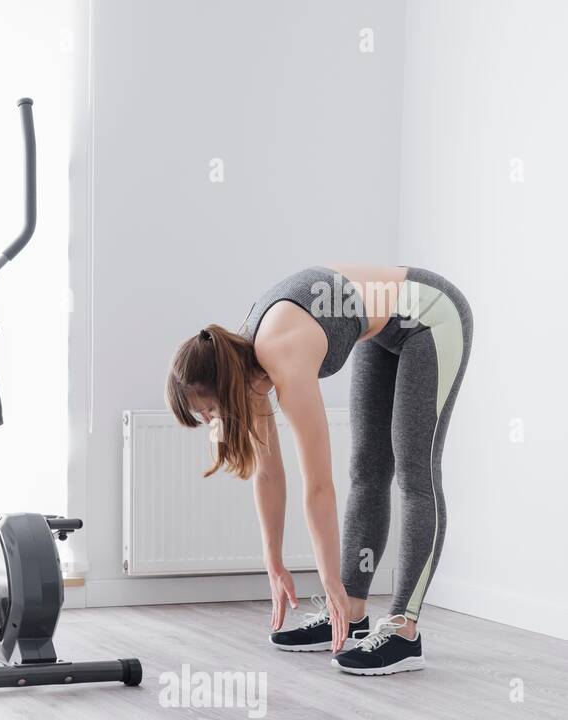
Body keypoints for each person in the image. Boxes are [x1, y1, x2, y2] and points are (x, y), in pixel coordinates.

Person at [165, 266, 472, 675]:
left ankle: (404, 628)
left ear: (221, 386)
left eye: (208, 411)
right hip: (381, 330)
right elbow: (268, 473)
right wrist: (273, 560)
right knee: (366, 471)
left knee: (415, 473)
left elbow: (318, 488)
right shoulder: (242, 364)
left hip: (431, 316)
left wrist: (329, 582)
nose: (211, 423)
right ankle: (352, 613)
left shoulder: (279, 353)